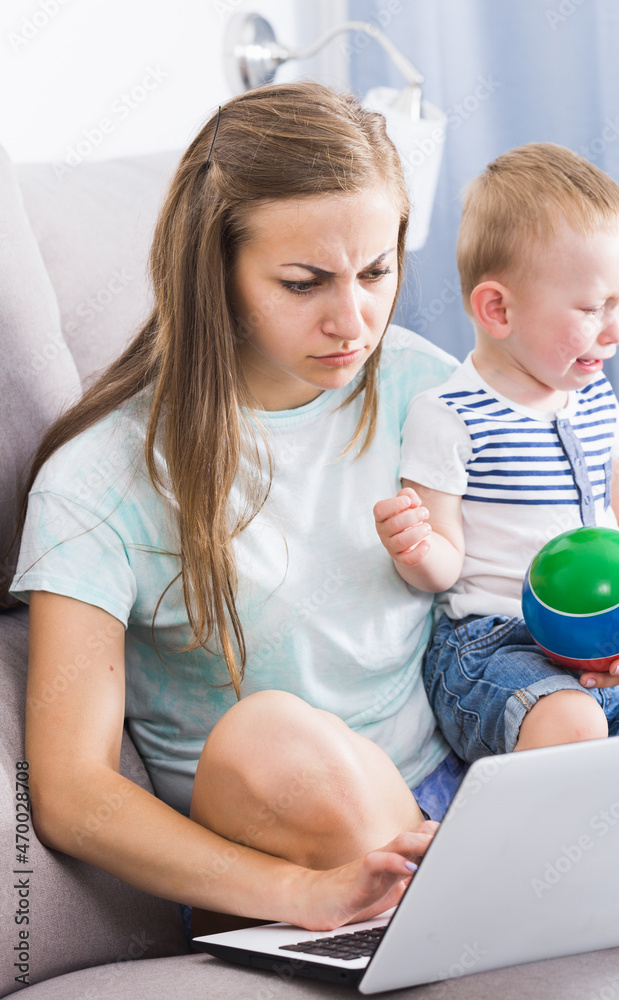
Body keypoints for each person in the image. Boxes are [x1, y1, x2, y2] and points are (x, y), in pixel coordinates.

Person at [8, 82, 480, 937]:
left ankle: (471, 903)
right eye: (304, 283)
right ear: (214, 276)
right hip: (277, 847)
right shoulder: (97, 480)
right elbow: (74, 794)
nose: (355, 320)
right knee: (272, 734)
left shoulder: (430, 389)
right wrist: (298, 893)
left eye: (377, 272)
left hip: (451, 798)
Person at [374, 143, 619, 763]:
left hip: (602, 644)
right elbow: (444, 567)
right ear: (498, 309)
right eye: (592, 308)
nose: (616, 330)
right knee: (575, 727)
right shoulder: (449, 414)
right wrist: (415, 549)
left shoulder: (593, 401)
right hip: (496, 648)